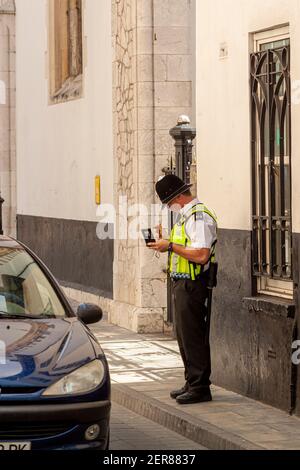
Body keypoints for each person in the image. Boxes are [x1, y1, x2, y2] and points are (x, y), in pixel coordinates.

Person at [148, 175, 217, 405]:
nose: (169, 207)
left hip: (193, 284)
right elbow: (185, 247)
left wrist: (169, 246)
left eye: (169, 202)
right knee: (184, 336)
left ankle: (200, 387)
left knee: (193, 336)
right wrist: (166, 243)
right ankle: (191, 381)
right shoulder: (186, 216)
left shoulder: (198, 216)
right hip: (183, 283)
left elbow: (201, 254)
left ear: (178, 196)